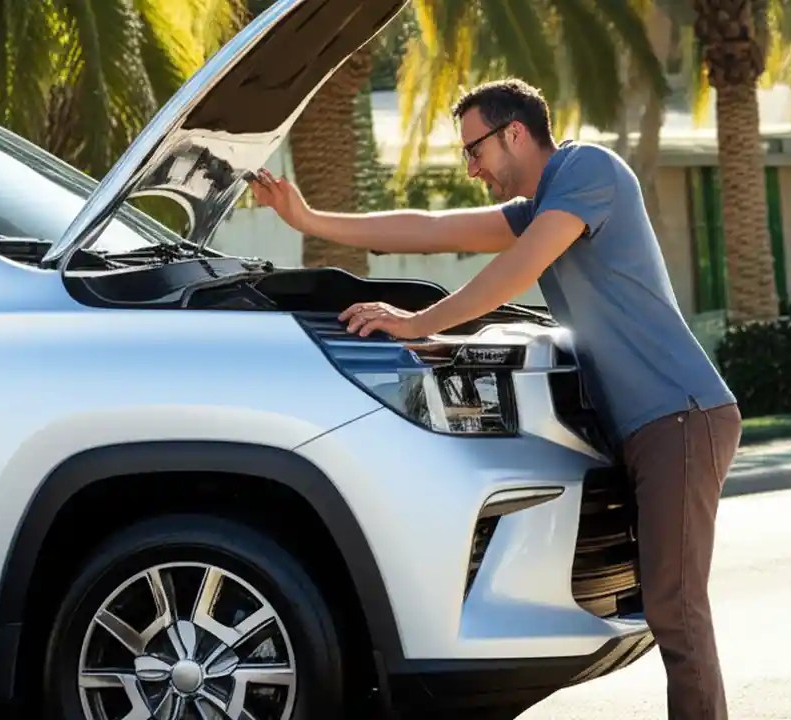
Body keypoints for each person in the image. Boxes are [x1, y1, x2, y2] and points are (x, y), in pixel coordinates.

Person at [248, 78, 742, 720]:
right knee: (668, 606)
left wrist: (418, 322)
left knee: (676, 610)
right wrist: (310, 221)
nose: (472, 167)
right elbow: (431, 229)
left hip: (680, 415)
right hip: (651, 423)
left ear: (514, 132)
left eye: (474, 150)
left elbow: (518, 269)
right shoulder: (543, 203)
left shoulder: (587, 169)